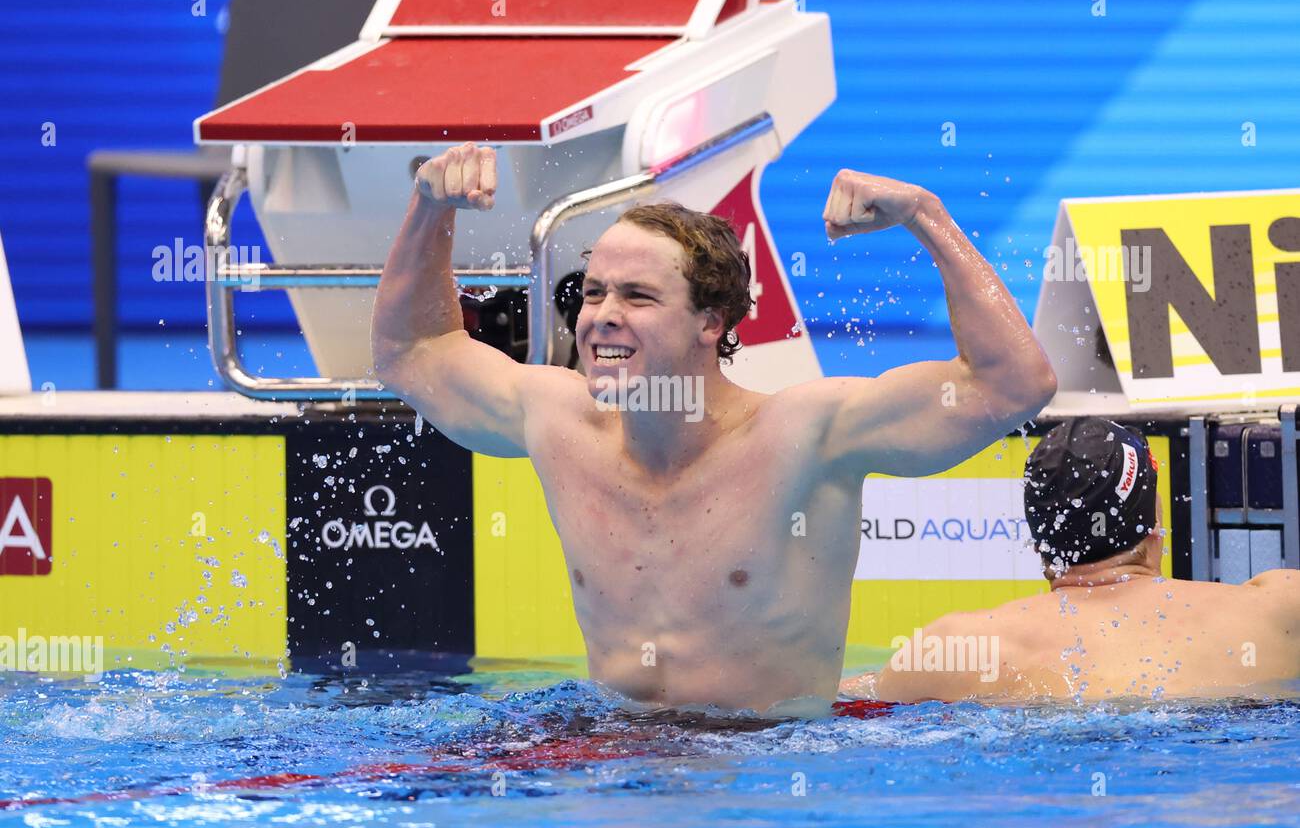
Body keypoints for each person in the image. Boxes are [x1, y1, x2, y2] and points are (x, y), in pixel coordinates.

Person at [371, 142, 1058, 714]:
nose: (601, 315)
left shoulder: (806, 438)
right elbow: (413, 353)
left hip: (766, 769)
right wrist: (430, 208)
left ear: (712, 322)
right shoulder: (557, 418)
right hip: (609, 759)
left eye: (637, 296)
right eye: (593, 292)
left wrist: (925, 216)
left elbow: (1013, 386)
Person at [851, 417, 1300, 702]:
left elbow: (812, 708)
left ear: (1038, 537)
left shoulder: (954, 649)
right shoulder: (1279, 610)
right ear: (1154, 517)